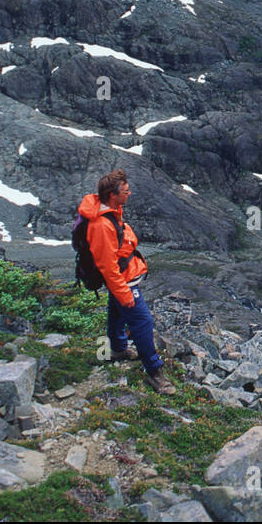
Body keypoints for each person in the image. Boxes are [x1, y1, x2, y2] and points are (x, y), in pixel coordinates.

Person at [77, 169, 176, 395]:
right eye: (125, 191)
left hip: (125, 277)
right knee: (142, 321)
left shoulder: (112, 210)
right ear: (113, 195)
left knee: (116, 310)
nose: (129, 193)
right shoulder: (101, 226)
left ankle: (118, 349)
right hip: (124, 281)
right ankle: (154, 372)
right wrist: (124, 293)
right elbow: (108, 266)